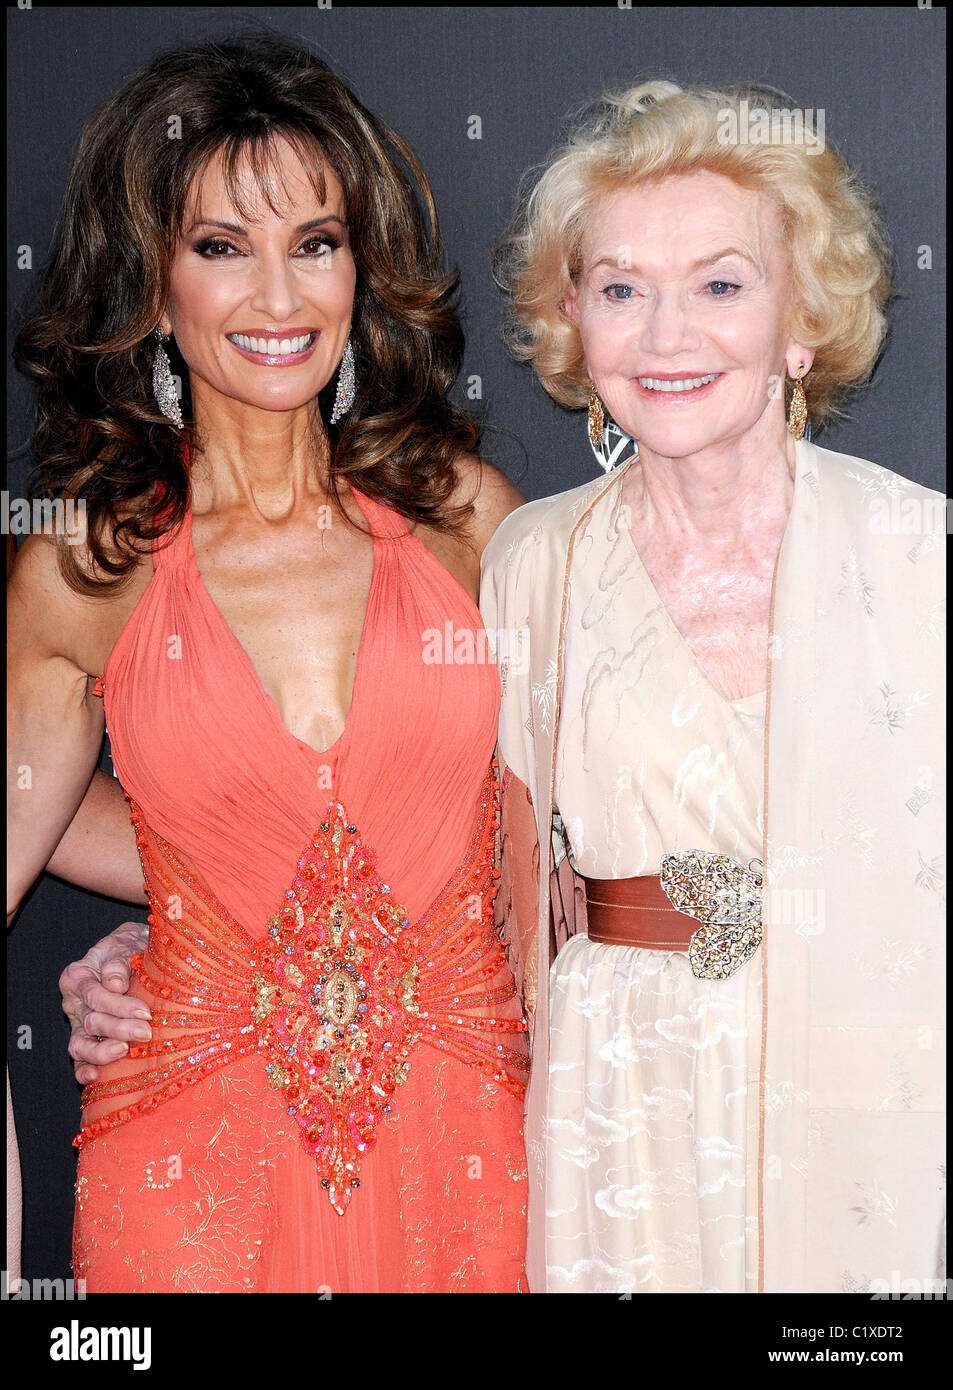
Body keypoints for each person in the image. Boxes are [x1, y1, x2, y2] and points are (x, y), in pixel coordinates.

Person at [7, 32, 530, 1293]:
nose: (279, 298)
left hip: (471, 1154)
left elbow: (556, 818)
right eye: (220, 248)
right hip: (189, 1177)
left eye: (314, 242)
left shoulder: (463, 519)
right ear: (151, 276)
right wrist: (193, 908)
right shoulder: (90, 565)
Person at [481, 79, 945, 1293]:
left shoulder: (919, 554)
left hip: (866, 1089)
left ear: (802, 323)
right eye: (621, 289)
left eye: (718, 285)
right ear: (574, 324)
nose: (664, 335)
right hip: (618, 1098)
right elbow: (493, 898)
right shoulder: (533, 560)